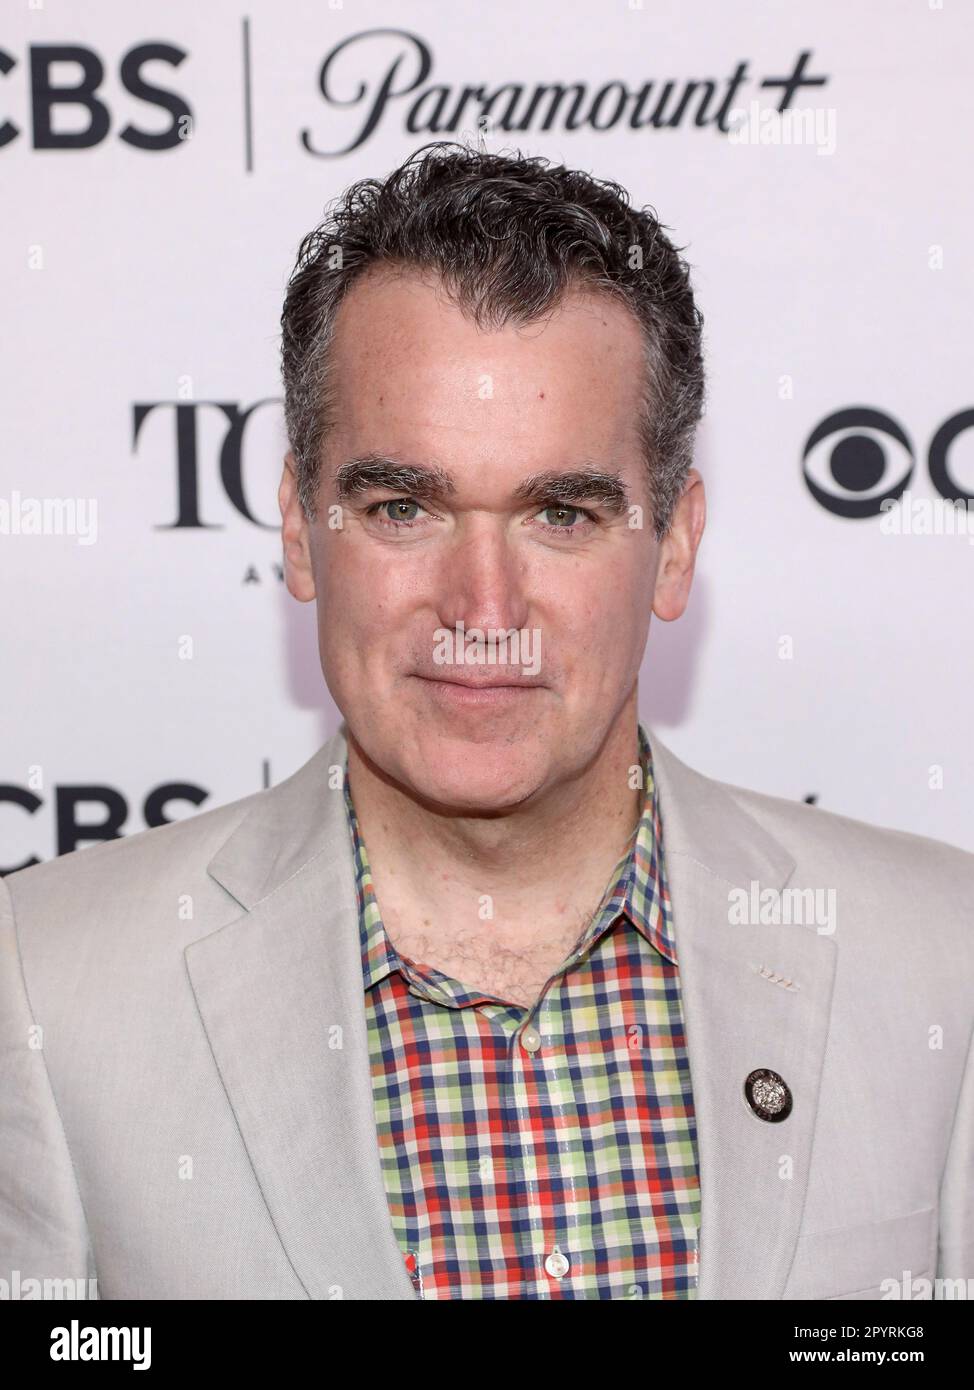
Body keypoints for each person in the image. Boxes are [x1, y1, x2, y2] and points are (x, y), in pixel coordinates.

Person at [2, 142, 971, 1301]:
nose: (482, 609)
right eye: (403, 506)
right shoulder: (50, 988)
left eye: (559, 512)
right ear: (302, 533)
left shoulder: (937, 964)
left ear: (672, 546)